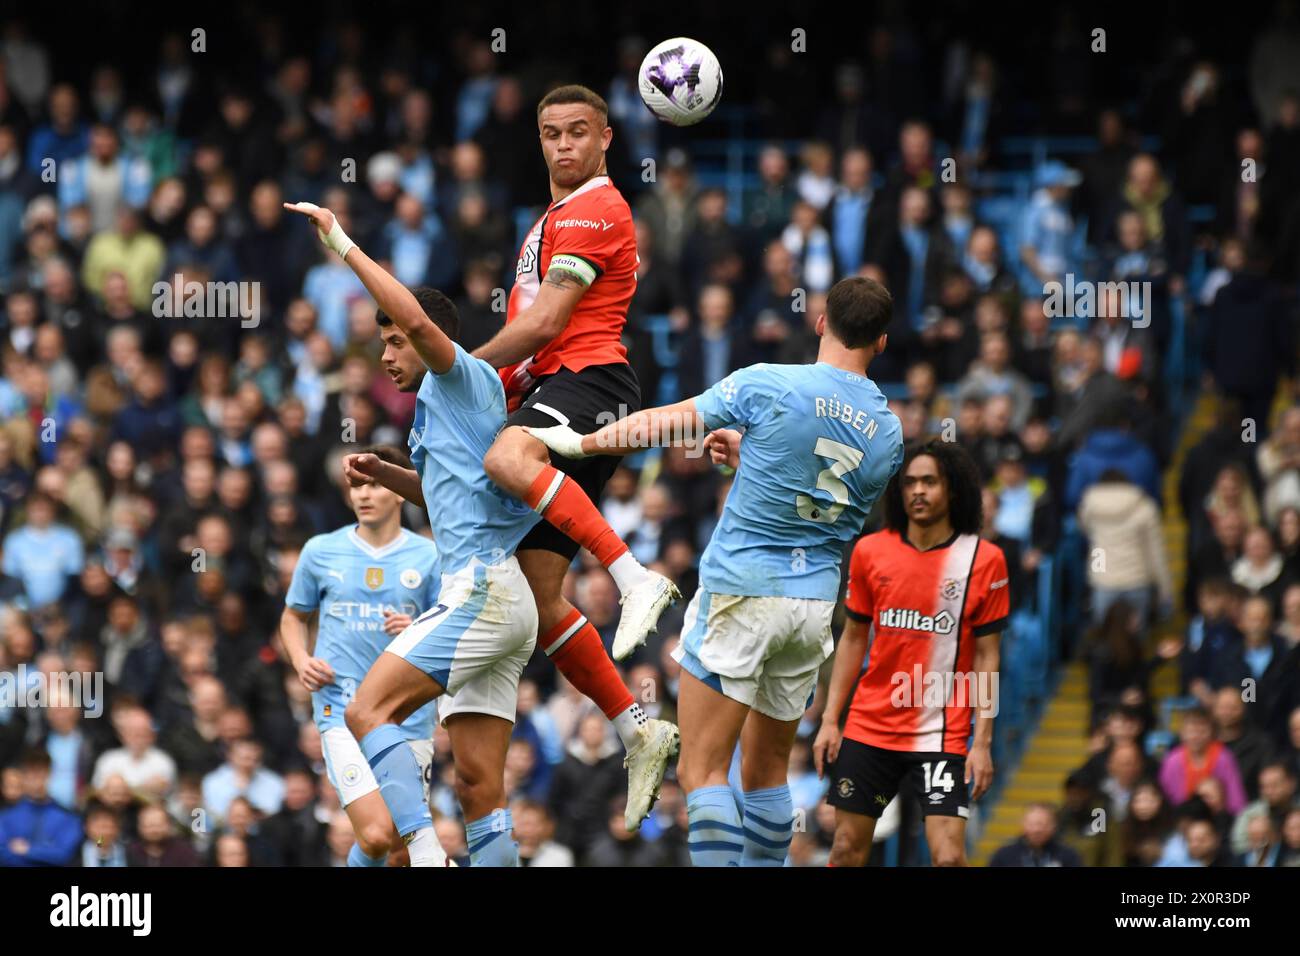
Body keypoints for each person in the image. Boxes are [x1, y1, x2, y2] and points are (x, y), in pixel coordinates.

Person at [528, 275, 903, 866]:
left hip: (742, 588)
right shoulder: (889, 430)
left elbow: (667, 423)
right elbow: (820, 493)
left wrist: (582, 444)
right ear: (881, 343)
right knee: (766, 776)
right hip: (811, 608)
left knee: (703, 770)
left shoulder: (771, 383)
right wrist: (750, 455)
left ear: (821, 321)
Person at [386, 84, 681, 831]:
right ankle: (635, 727)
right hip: (556, 386)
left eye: (579, 133)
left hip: (588, 380)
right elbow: (529, 337)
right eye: (551, 133)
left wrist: (455, 373)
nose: (563, 146)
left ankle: (632, 574)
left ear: (607, 138)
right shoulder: (546, 221)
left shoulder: (594, 206)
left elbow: (550, 321)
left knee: (507, 456)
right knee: (539, 602)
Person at [284, 199, 542, 866]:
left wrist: (341, 241)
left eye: (395, 340)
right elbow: (442, 496)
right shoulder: (433, 415)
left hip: (481, 590)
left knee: (365, 710)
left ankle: (428, 857)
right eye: (383, 344)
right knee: (481, 790)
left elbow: (422, 318)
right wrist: (389, 474)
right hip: (502, 599)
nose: (387, 354)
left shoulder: (460, 376)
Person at [814, 440, 1008, 867]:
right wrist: (831, 720)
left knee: (949, 857)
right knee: (846, 849)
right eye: (909, 483)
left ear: (952, 490)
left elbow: (988, 658)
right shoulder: (870, 551)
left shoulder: (985, 559)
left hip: (944, 733)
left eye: (930, 482)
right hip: (870, 726)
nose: (918, 491)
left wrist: (983, 742)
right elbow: (852, 640)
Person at [278, 443, 441, 867]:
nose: (364, 495)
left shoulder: (429, 557)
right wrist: (300, 659)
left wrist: (418, 628)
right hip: (341, 709)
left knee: (402, 850)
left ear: (400, 491)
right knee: (375, 835)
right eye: (356, 486)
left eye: (374, 484)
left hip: (409, 716)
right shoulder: (320, 551)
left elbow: (451, 631)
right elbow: (293, 617)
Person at [0, 748, 82, 866]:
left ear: (50, 773)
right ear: (22, 776)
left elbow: (64, 855)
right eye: (31, 772)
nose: (36, 779)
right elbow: (2, 854)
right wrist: (46, 853)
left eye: (41, 772)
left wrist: (28, 849)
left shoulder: (68, 817)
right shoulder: (5, 817)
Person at [988, 803, 1083, 867]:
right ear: (1023, 825)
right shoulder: (1004, 855)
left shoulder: (1068, 855)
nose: (1037, 830)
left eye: (1042, 824)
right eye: (1032, 824)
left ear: (1053, 826)